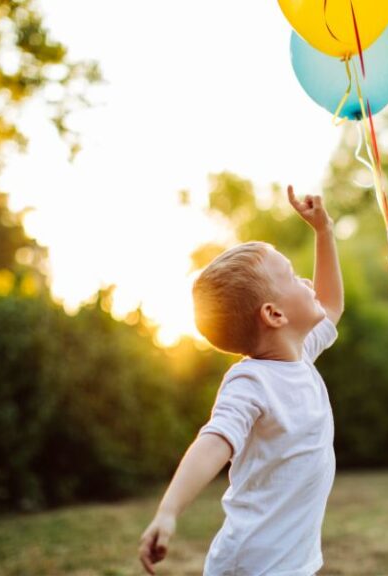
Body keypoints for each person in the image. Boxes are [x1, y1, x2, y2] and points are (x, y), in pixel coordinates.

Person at [139, 185, 344, 576]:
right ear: (274, 315)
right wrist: (168, 511)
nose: (305, 281)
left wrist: (323, 232)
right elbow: (215, 440)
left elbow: (331, 303)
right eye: (291, 275)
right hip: (251, 565)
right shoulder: (250, 381)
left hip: (293, 562)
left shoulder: (299, 355)